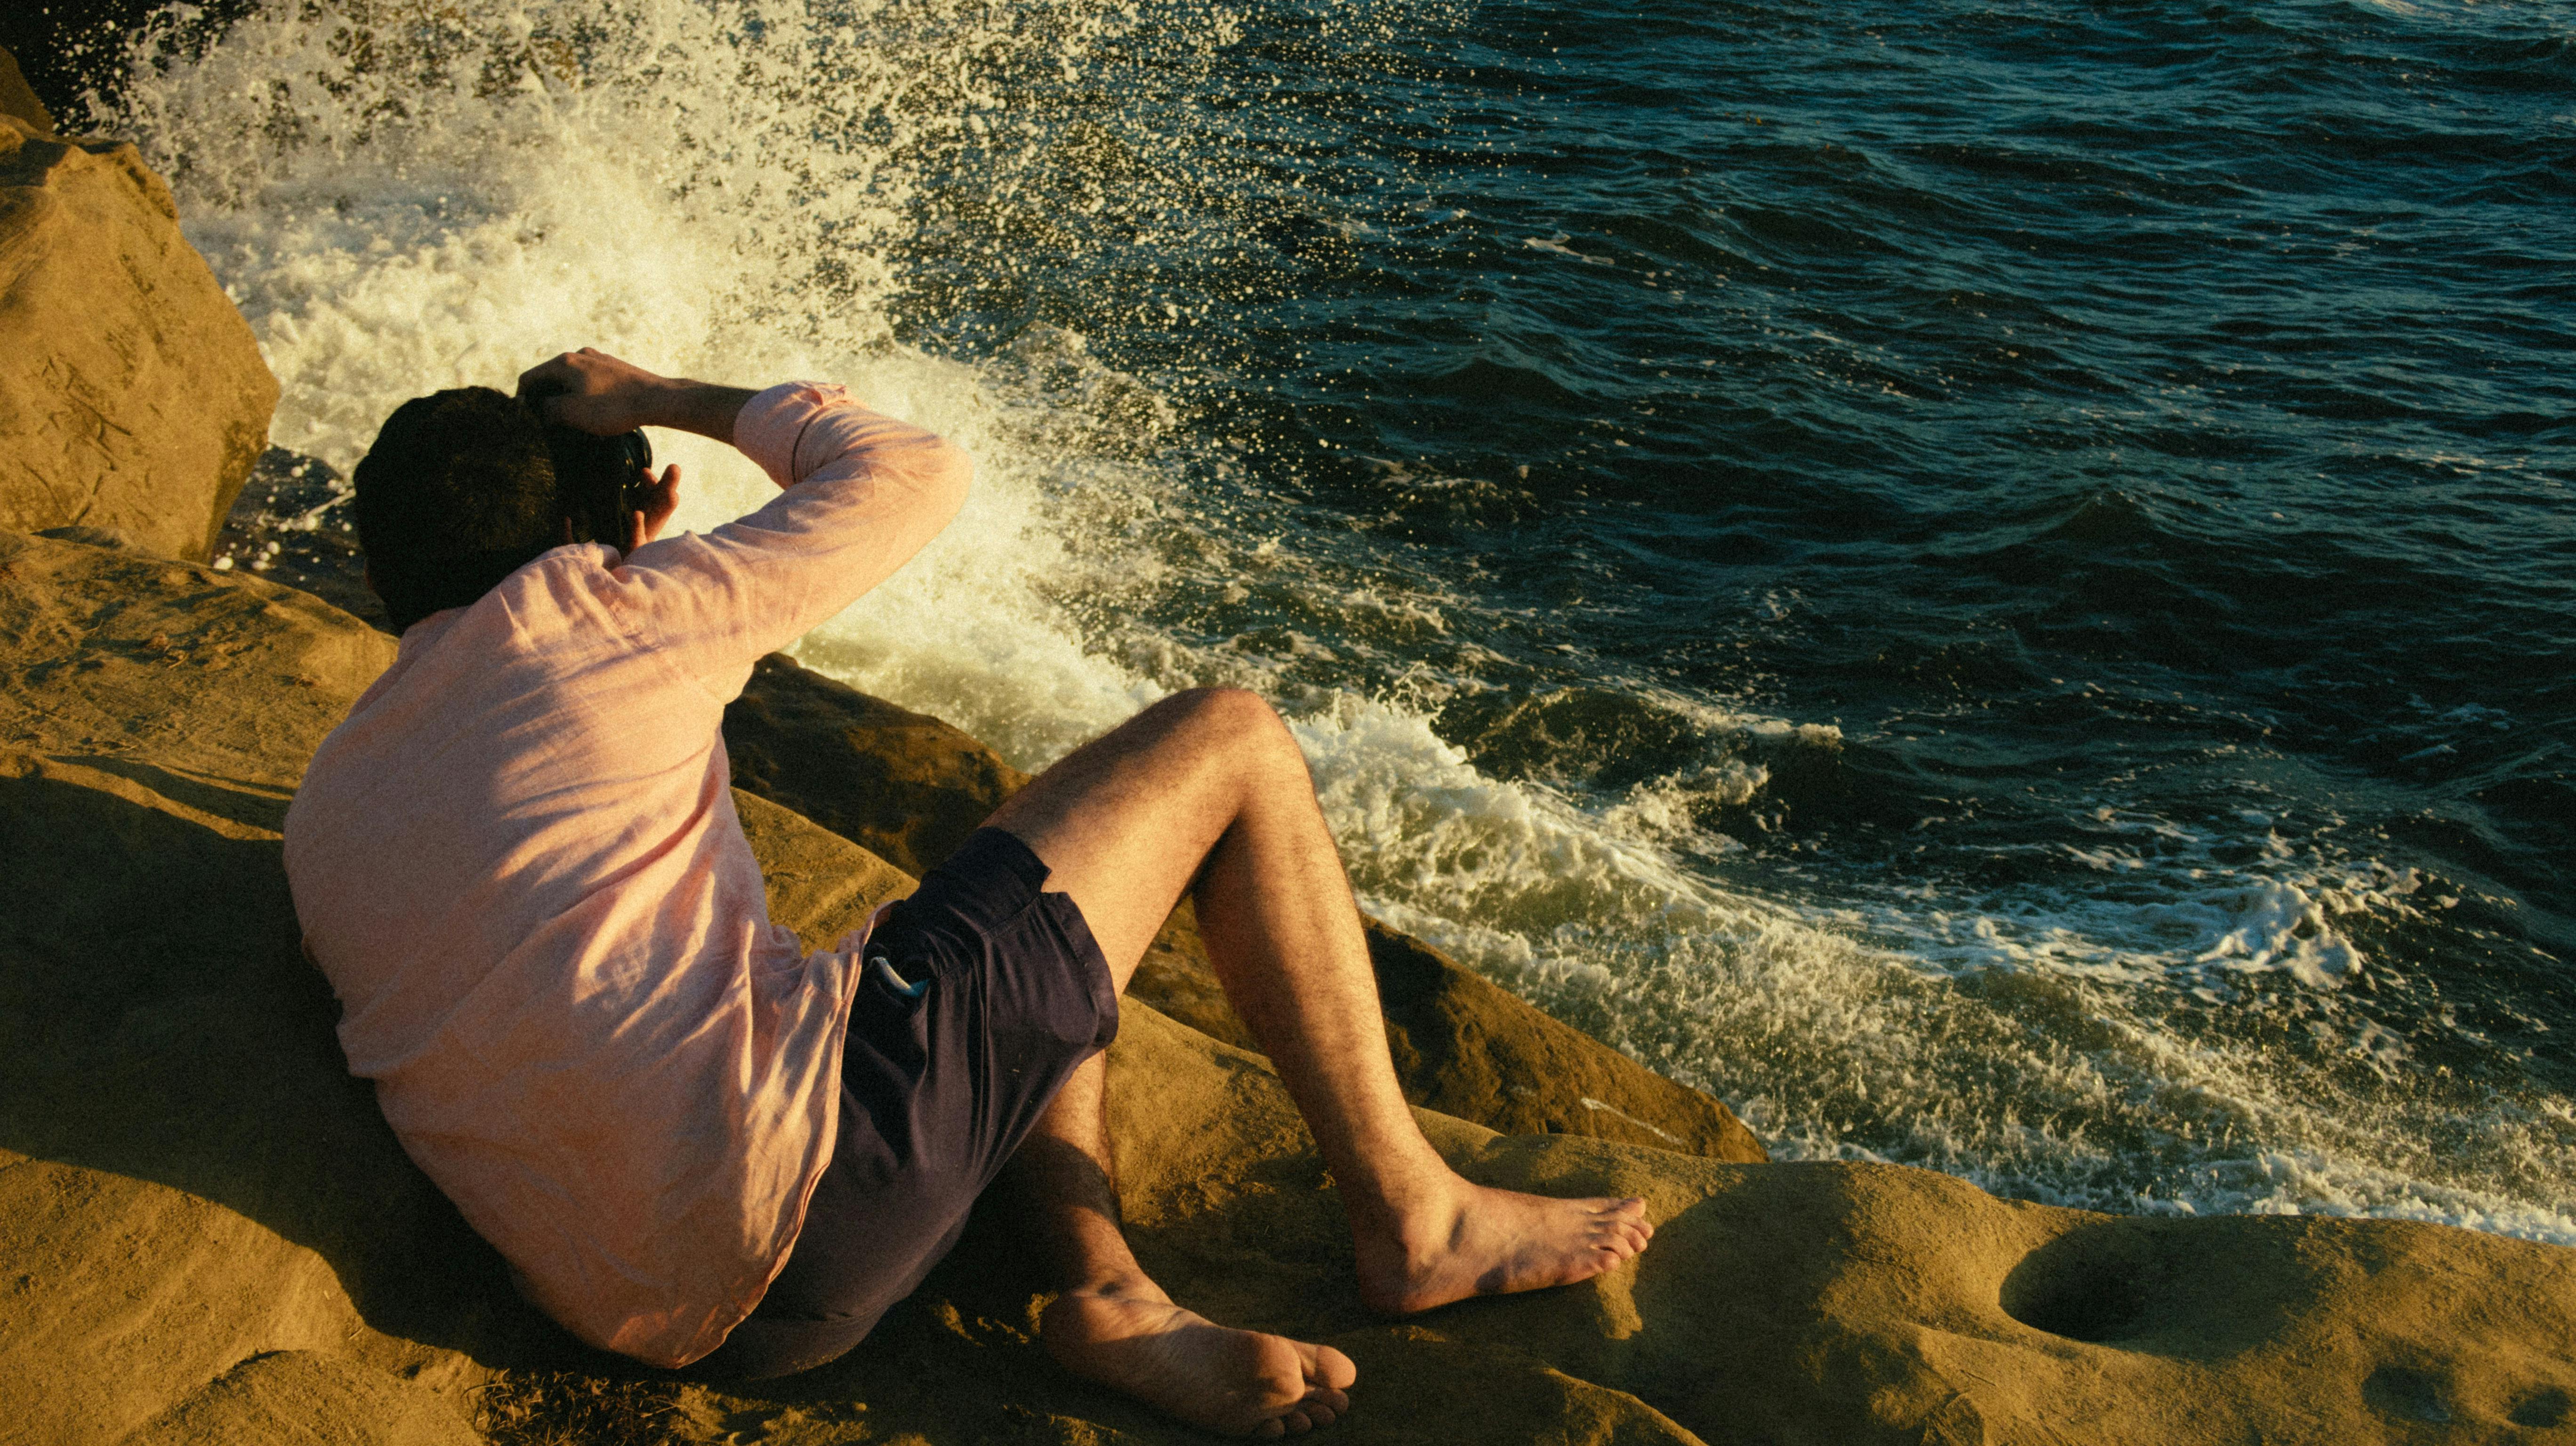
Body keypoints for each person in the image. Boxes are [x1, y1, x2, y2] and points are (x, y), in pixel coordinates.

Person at [283, 348, 1653, 1437]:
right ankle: (1419, 1217)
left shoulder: (329, 804)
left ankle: (1106, 1293)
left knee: (1003, 894)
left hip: (640, 1313)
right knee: (1229, 737)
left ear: (383, 572)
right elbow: (918, 471)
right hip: (822, 1193)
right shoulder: (603, 610)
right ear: (612, 530)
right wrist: (660, 401)